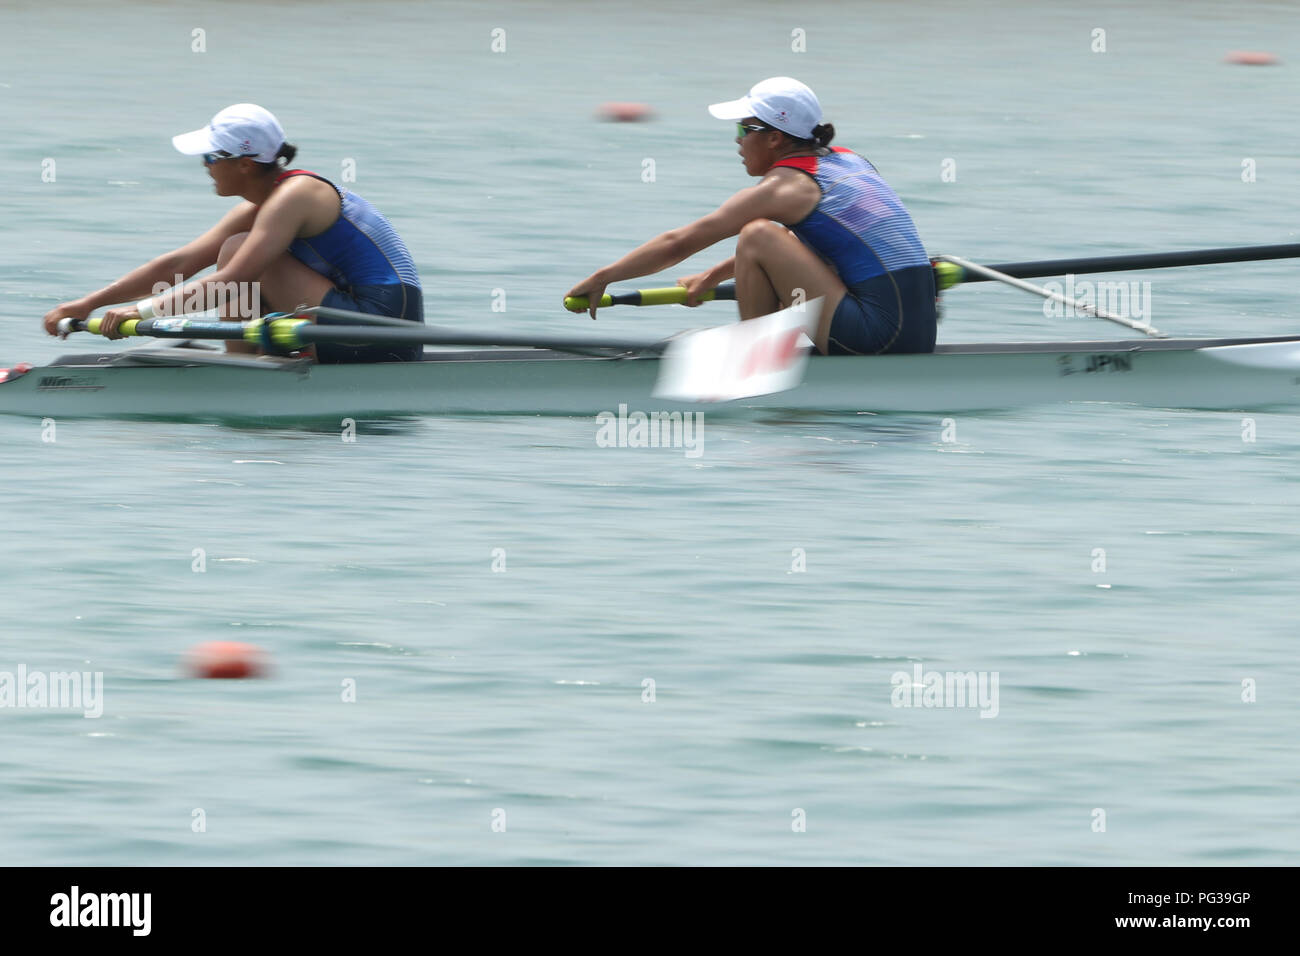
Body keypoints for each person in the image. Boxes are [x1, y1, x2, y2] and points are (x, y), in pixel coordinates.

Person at [564, 77, 936, 355]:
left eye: (744, 128)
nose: (737, 140)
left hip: (878, 336)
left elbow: (679, 243)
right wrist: (712, 276)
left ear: (774, 138)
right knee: (777, 236)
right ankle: (774, 350)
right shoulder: (849, 161)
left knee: (757, 234)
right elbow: (816, 244)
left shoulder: (783, 189)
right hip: (917, 332)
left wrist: (604, 277)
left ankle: (756, 362)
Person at [42, 103, 424, 363]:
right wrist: (87, 303)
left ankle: (243, 369)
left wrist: (138, 313)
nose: (205, 166)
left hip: (386, 326)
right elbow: (178, 263)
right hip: (354, 321)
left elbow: (233, 278)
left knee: (237, 253)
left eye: (210, 157)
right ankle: (248, 363)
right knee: (233, 248)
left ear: (243, 164)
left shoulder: (298, 195)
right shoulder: (266, 205)